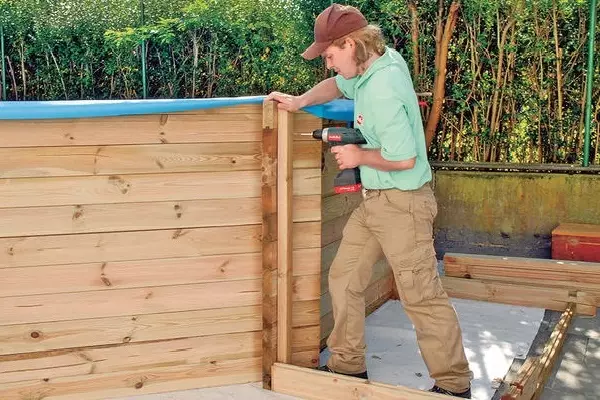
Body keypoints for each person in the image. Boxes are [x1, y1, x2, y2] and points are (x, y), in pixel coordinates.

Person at [266, 3, 473, 398]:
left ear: (349, 43)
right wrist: (297, 102)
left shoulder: (381, 88)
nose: (327, 64)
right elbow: (337, 86)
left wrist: (358, 156)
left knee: (421, 295)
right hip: (376, 201)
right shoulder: (374, 62)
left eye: (329, 55)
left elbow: (405, 157)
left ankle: (453, 385)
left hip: (404, 204)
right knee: (344, 278)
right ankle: (347, 364)